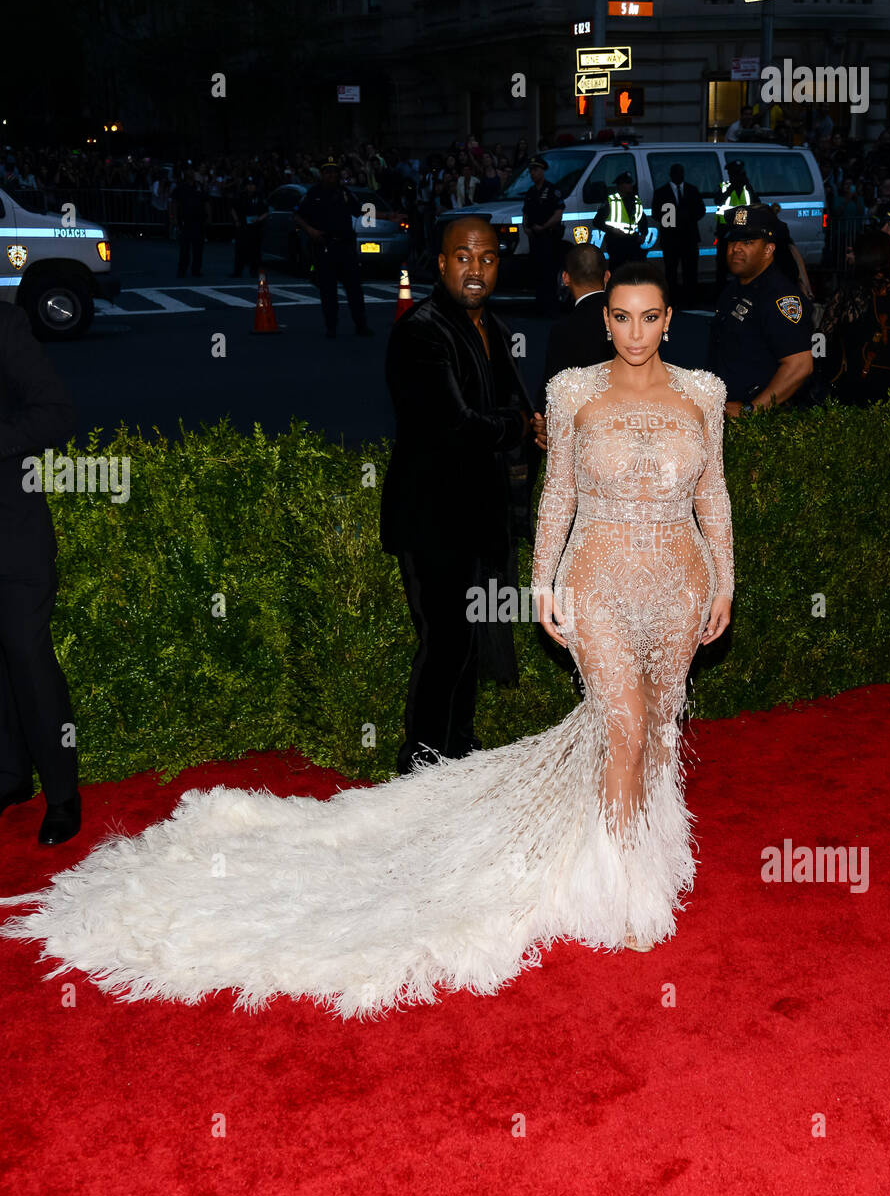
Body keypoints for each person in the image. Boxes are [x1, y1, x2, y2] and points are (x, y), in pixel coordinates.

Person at [0, 264, 734, 1018]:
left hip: (681, 579)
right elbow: (557, 499)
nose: (635, 332)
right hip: (598, 578)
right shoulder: (574, 390)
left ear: (670, 320)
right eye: (622, 317)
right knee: (625, 725)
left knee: (661, 729)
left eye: (649, 318)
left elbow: (713, 495)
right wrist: (544, 584)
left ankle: (654, 851)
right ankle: (622, 891)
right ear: (604, 318)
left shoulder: (703, 392)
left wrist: (725, 583)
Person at [380, 216, 542, 774]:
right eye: (464, 258)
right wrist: (520, 427)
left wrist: (532, 422)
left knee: (470, 641)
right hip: (432, 520)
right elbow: (455, 424)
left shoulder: (487, 324)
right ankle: (421, 763)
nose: (476, 270)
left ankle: (457, 753)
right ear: (443, 262)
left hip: (476, 515)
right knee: (446, 640)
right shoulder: (421, 330)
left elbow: (506, 401)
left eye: (488, 258)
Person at [0, 303, 81, 846]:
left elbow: (57, 413)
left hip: (12, 533)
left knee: (28, 658)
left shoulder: (3, 325)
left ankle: (62, 793)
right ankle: (9, 776)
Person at [709, 204, 814, 416]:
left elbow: (799, 366)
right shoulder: (733, 289)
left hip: (762, 423)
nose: (736, 248)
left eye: (747, 242)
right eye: (733, 240)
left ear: (768, 249)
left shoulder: (779, 297)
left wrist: (752, 410)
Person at [817, 229, 890, 404]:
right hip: (888, 387)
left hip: (850, 384)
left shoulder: (850, 293)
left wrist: (818, 370)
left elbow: (822, 336)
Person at [294, 160, 373, 339]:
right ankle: (331, 327)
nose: (331, 176)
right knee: (328, 291)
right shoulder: (313, 194)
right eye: (327, 172)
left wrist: (388, 215)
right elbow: (297, 216)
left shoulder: (345, 193)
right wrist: (310, 231)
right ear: (322, 174)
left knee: (354, 289)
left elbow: (360, 210)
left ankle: (361, 325)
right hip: (325, 246)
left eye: (334, 172)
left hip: (345, 246)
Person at [540, 243, 613, 409]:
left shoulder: (563, 329)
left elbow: (553, 389)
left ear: (565, 278)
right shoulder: (627, 318)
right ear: (607, 276)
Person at [651, 164, 706, 309]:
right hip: (671, 238)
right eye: (675, 173)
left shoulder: (692, 190)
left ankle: (691, 300)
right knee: (671, 272)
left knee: (690, 271)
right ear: (670, 174)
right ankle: (672, 301)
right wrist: (671, 218)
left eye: (680, 173)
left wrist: (688, 216)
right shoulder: (661, 192)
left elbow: (701, 210)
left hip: (689, 238)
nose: (678, 175)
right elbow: (655, 213)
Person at [522, 156, 565, 316]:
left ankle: (551, 308)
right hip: (535, 238)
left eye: (536, 170)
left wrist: (544, 227)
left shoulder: (553, 190)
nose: (533, 173)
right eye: (531, 170)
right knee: (537, 273)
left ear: (543, 171)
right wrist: (526, 227)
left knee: (550, 273)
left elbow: (558, 213)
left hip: (549, 237)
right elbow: (525, 212)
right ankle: (539, 306)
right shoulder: (531, 192)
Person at [713, 160, 756, 295]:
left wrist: (746, 185)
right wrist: (731, 189)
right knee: (722, 265)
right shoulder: (724, 186)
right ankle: (721, 294)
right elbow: (718, 200)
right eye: (734, 175)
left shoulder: (747, 188)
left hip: (742, 232)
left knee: (743, 264)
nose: (736, 177)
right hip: (725, 231)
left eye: (738, 174)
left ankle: (741, 293)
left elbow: (755, 204)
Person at [593, 170, 648, 270]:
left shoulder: (636, 200)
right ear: (620, 186)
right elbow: (597, 221)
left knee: (635, 271)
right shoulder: (611, 201)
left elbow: (642, 219)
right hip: (616, 242)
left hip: (633, 242)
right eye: (627, 183)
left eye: (631, 183)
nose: (631, 185)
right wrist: (612, 230)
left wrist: (643, 234)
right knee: (617, 270)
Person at [169, 169, 211, 278]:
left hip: (199, 220)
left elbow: (206, 202)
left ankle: (196, 270)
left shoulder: (200, 187)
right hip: (185, 221)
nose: (191, 175)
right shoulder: (180, 188)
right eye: (189, 173)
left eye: (192, 173)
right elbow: (174, 203)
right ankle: (182, 270)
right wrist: (173, 217)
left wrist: (209, 216)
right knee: (184, 248)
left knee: (198, 248)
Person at [229, 176, 268, 277]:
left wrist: (259, 219)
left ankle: (254, 271)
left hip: (255, 226)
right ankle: (237, 272)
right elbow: (233, 208)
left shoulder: (259, 196)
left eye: (253, 185)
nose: (251, 187)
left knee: (255, 250)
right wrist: (236, 221)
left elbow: (266, 211)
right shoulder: (240, 196)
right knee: (240, 250)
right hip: (243, 226)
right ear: (246, 186)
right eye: (249, 185)